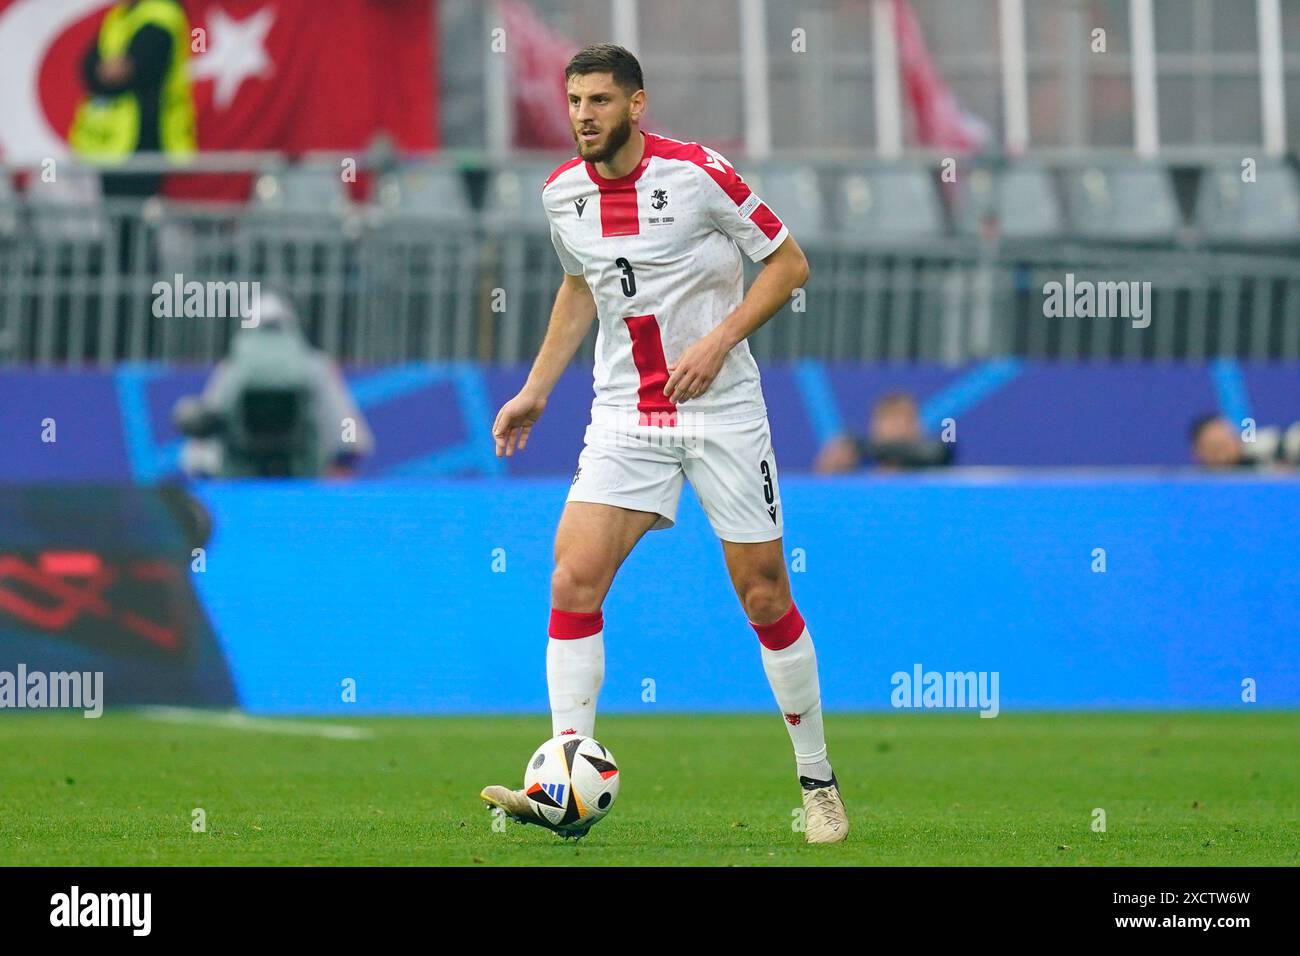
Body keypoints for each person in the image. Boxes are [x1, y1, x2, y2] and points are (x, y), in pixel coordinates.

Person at [481, 44, 848, 844]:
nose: (584, 115)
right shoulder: (562, 195)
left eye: (601, 101)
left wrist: (718, 341)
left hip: (722, 410)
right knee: (573, 576)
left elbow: (789, 266)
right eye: (575, 101)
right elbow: (581, 286)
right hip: (625, 415)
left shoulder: (698, 174)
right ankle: (564, 783)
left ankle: (817, 781)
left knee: (764, 595)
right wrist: (537, 390)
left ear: (637, 106)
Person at [174, 293, 374, 479]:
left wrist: (200, 462)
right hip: (302, 476)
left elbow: (210, 423)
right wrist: (347, 452)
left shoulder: (231, 370)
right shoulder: (315, 366)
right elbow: (343, 417)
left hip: (245, 480)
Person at [69, 0, 197, 199]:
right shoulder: (119, 16)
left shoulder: (161, 15)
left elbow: (133, 70)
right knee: (119, 216)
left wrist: (108, 74)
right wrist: (105, 73)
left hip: (147, 138)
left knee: (139, 217)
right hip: (113, 144)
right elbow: (87, 66)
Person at [815, 392, 955, 473]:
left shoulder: (933, 458)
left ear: (916, 426)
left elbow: (939, 453)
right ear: (875, 426)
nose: (897, 428)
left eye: (904, 419)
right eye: (890, 419)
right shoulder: (863, 483)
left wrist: (859, 446)